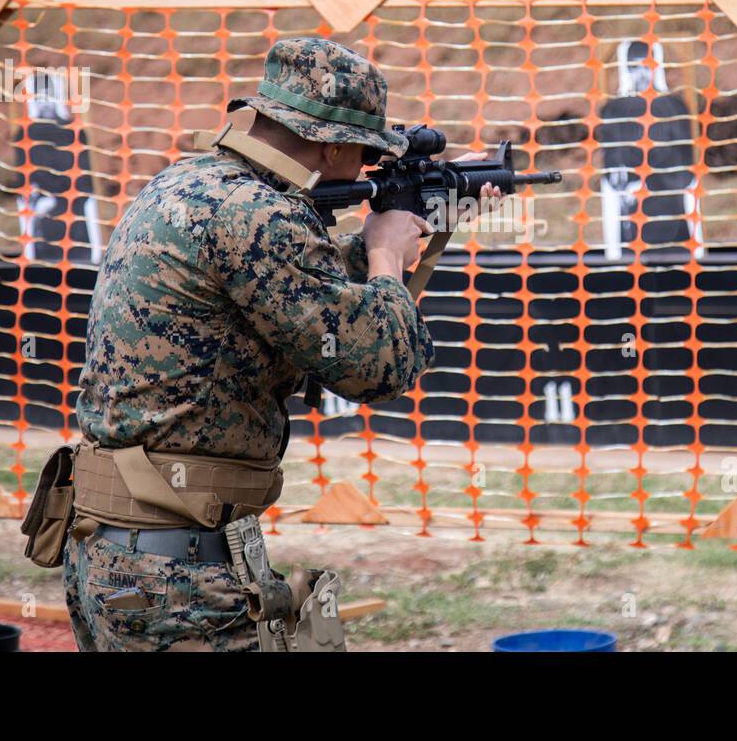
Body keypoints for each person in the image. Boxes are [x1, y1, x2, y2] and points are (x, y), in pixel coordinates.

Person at [57, 37, 453, 651]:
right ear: (331, 144)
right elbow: (375, 366)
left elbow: (286, 290)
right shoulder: (261, 216)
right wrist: (383, 255)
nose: (365, 172)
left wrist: (425, 225)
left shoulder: (194, 184)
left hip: (124, 548)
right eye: (364, 156)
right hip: (176, 574)